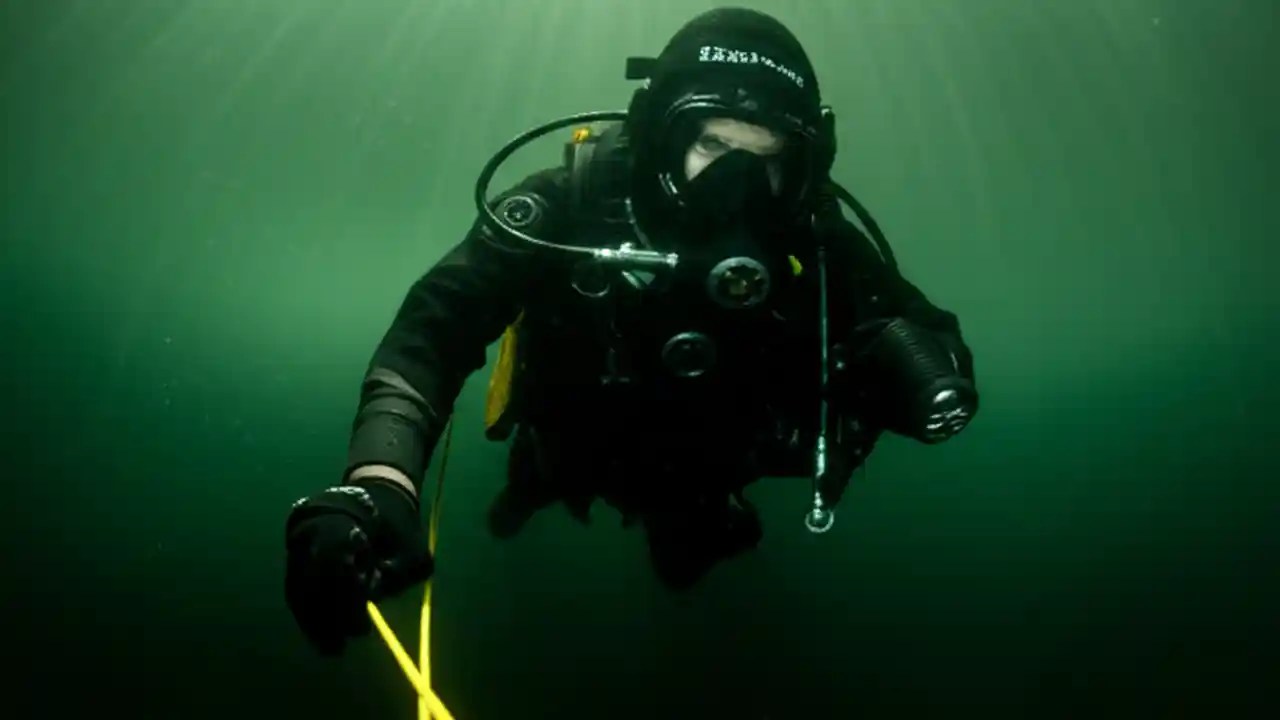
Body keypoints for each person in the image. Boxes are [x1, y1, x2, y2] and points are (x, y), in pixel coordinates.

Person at [284, 7, 979, 655]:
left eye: (764, 158)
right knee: (533, 485)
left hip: (704, 467)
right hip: (572, 436)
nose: (736, 182)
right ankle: (522, 496)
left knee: (689, 562)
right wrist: (379, 484)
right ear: (659, 132)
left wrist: (914, 376)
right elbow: (434, 328)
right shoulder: (572, 204)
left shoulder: (813, 236)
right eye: (712, 143)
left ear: (801, 163)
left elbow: (928, 334)